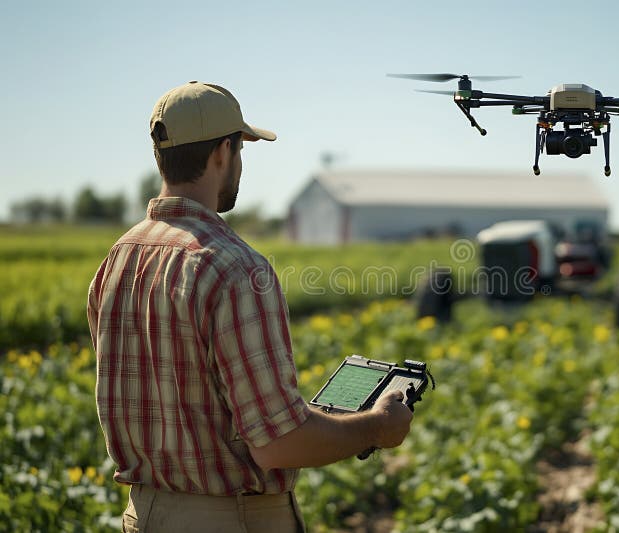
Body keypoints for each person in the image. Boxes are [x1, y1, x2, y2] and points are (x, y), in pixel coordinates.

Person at [87, 81, 413, 533]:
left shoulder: (117, 260)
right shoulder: (235, 269)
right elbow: (278, 443)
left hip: (142, 516)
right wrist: (377, 427)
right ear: (223, 152)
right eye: (240, 149)